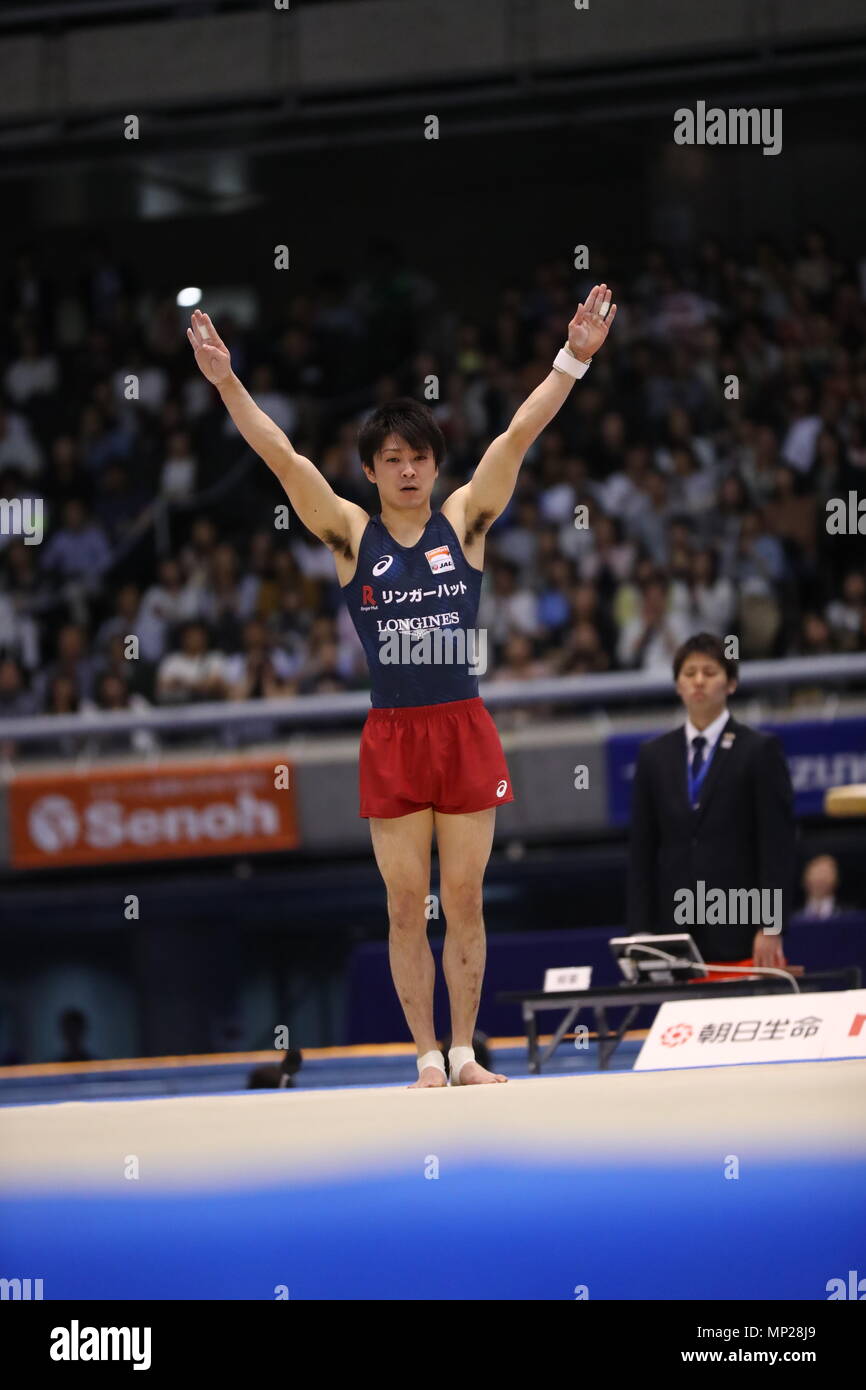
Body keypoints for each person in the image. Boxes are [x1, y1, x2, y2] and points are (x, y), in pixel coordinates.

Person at [188, 286, 617, 1087]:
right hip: (393, 733)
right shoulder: (352, 534)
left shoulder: (466, 520)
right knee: (402, 906)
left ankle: (464, 1052)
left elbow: (519, 433)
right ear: (371, 471)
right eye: (392, 460)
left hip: (463, 726)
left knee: (466, 901)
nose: (409, 469)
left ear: (434, 464)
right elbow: (283, 457)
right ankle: (423, 1056)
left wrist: (574, 360)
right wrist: (226, 384)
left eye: (419, 457)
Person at [627, 631, 795, 965]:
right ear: (678, 685)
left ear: (730, 684)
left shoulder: (758, 750)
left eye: (710, 672)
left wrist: (771, 924)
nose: (698, 681)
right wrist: (640, 931)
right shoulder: (654, 756)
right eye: (689, 674)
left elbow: (777, 846)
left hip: (740, 923)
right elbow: (642, 851)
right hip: (674, 929)